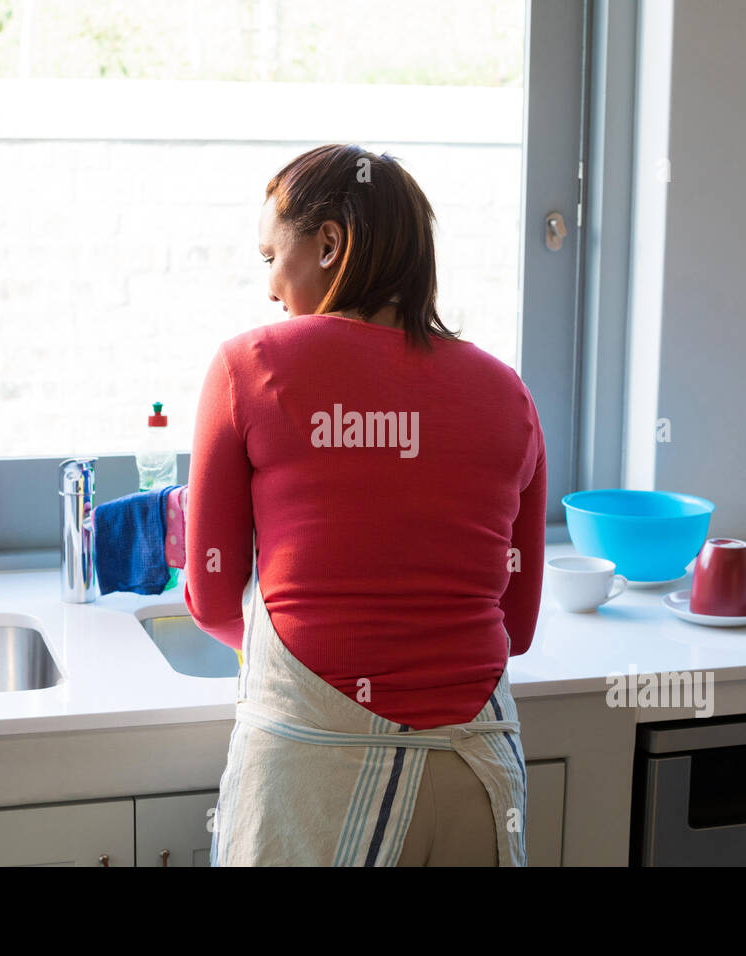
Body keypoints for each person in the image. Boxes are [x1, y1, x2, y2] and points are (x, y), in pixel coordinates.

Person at [185, 143, 546, 866]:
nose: (269, 288)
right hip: (476, 784)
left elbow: (213, 596)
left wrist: (331, 673)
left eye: (270, 258)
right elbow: (518, 621)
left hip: (316, 778)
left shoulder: (248, 367)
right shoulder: (508, 391)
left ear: (329, 243)